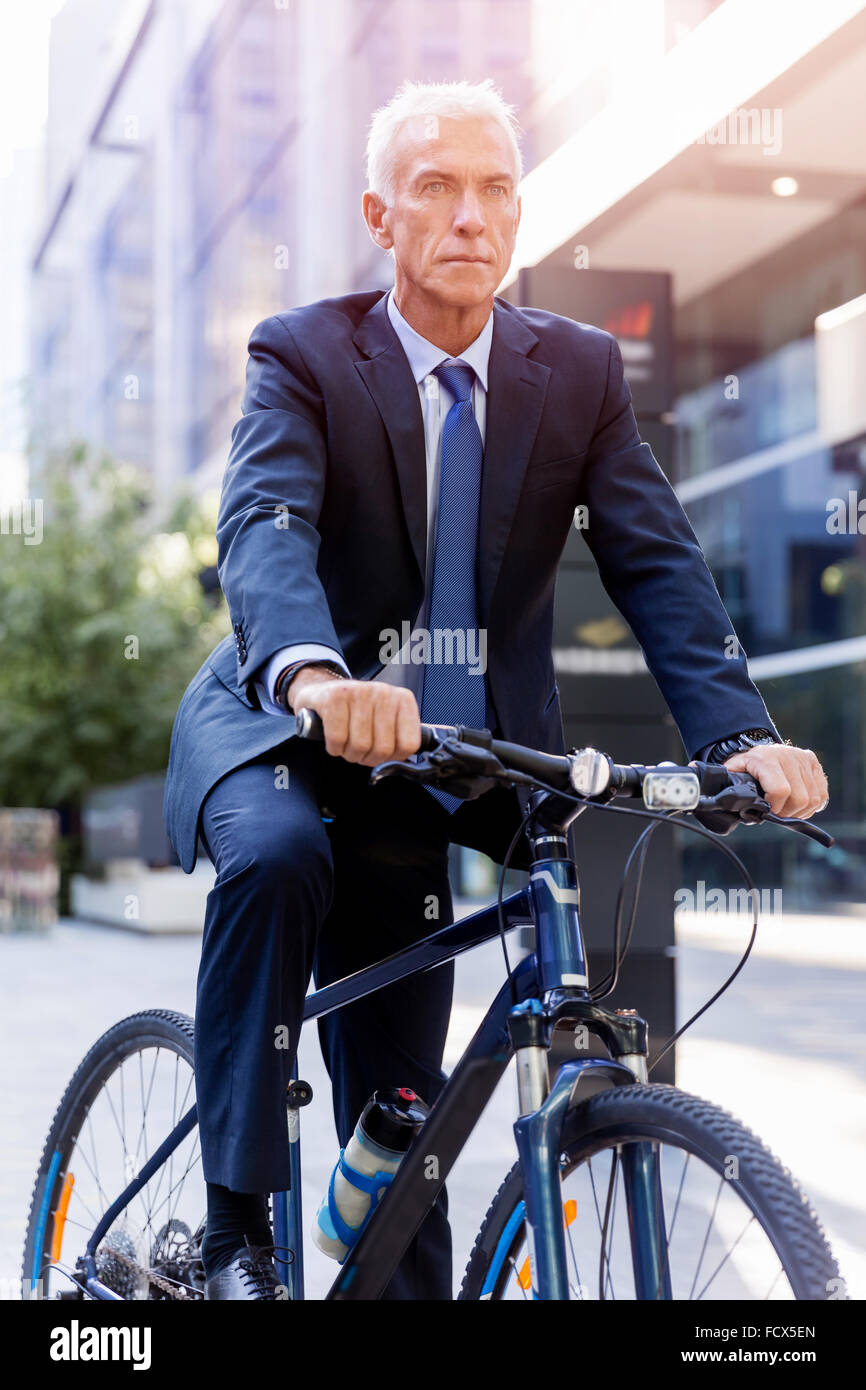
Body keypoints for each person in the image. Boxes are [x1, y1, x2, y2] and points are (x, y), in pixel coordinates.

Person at [162, 78, 829, 1300]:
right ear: (381, 214)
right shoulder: (304, 352)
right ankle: (231, 1230)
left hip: (439, 760)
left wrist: (740, 734)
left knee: (403, 1120)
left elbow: (656, 559)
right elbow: (263, 525)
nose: (470, 216)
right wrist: (316, 672)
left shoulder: (571, 370)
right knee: (276, 861)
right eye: (436, 188)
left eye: (495, 190)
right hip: (285, 726)